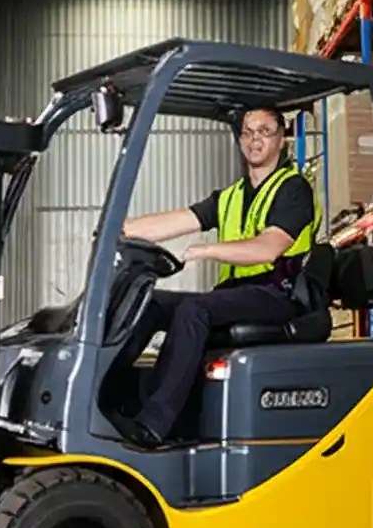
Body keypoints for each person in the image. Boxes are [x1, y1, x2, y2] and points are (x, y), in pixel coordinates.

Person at [109, 106, 319, 448]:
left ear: (281, 139)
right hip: (235, 295)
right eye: (248, 132)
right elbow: (176, 220)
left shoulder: (293, 189)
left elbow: (268, 248)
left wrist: (206, 250)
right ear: (240, 140)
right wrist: (118, 230)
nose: (255, 140)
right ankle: (107, 397)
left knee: (194, 311)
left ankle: (154, 425)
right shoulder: (232, 196)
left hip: (277, 294)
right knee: (152, 302)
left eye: (265, 131)